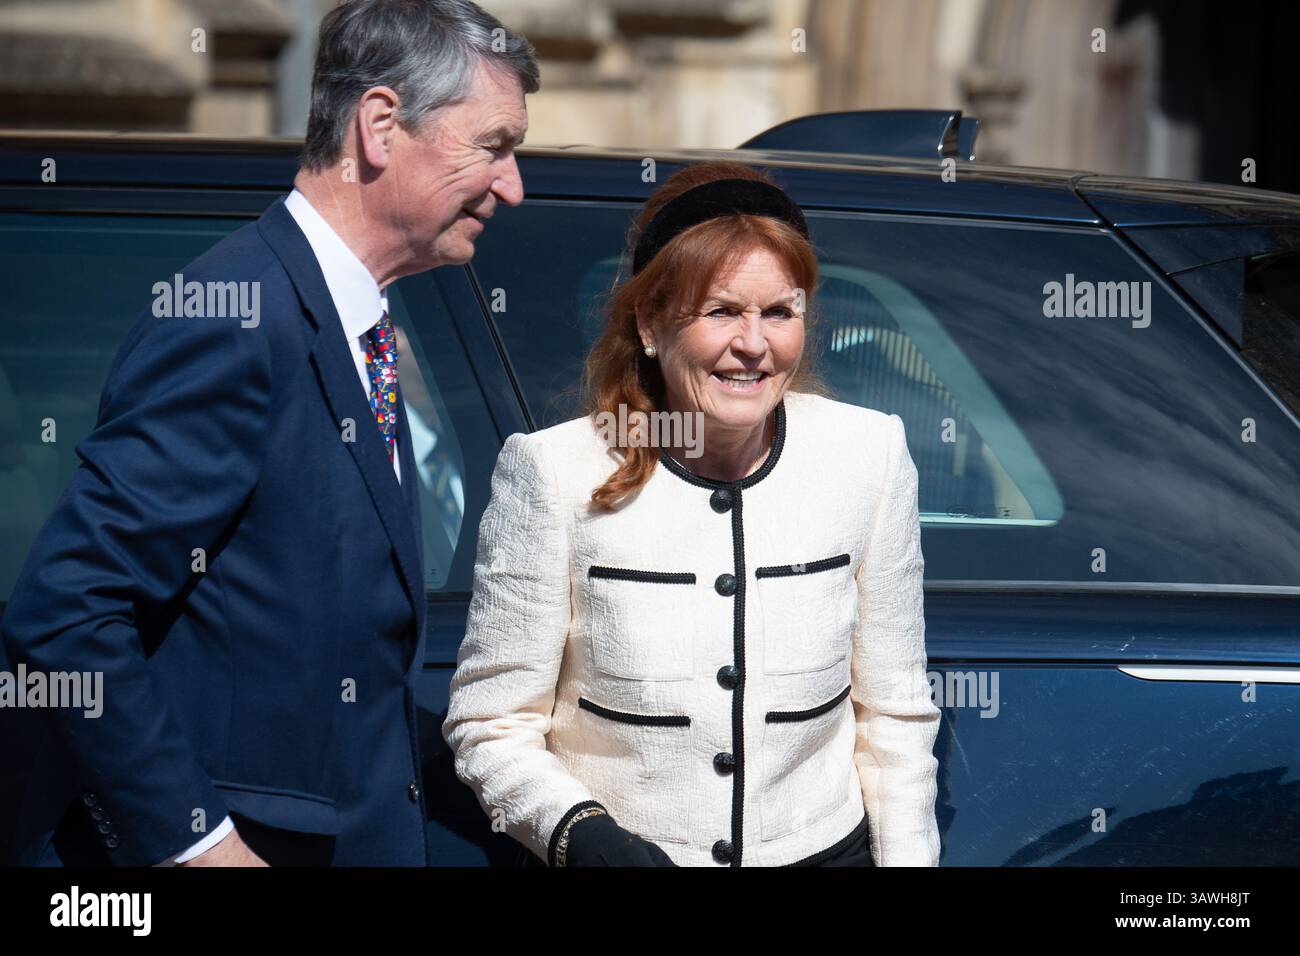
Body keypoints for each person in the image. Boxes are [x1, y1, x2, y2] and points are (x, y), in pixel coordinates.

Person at [0, 0, 536, 867]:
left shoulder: (355, 324)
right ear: (380, 125)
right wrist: (200, 844)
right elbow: (66, 613)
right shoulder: (236, 317)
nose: (512, 186)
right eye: (494, 146)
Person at [443, 161, 942, 866]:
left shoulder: (869, 454)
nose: (753, 344)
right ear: (650, 323)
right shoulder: (556, 470)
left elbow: (895, 715)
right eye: (721, 311)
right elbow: (491, 723)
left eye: (779, 312)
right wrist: (581, 835)